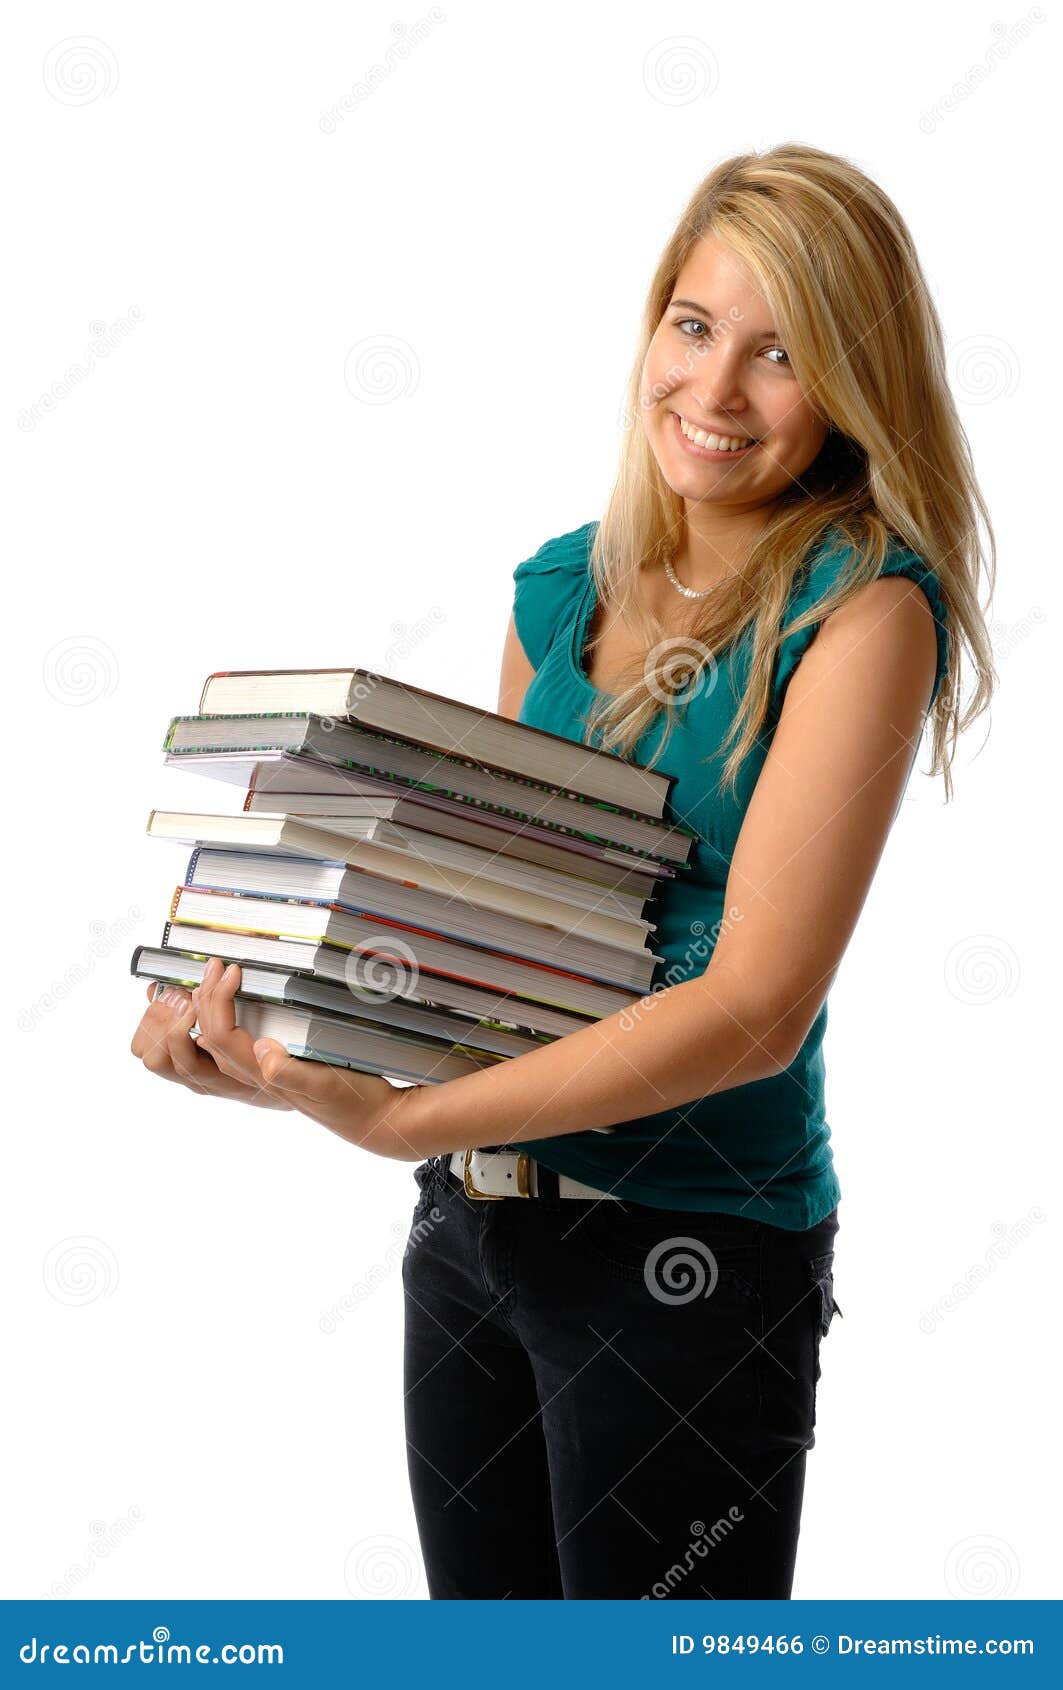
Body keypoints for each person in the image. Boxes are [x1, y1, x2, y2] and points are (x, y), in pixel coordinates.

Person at [130, 143, 995, 1599]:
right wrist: (282, 1033)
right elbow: (494, 932)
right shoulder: (559, 584)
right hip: (473, 1226)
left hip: (688, 1254)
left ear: (855, 382)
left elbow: (755, 1009)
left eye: (782, 353)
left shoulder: (863, 614)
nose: (715, 390)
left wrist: (402, 1119)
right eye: (694, 326)